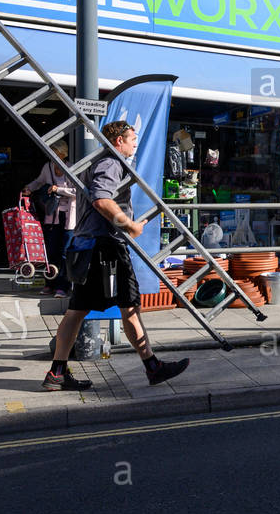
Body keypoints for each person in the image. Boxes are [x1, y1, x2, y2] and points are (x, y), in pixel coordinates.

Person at [43, 120, 189, 391]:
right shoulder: (111, 162)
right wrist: (131, 225)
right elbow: (101, 200)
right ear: (118, 141)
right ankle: (153, 368)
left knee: (78, 311)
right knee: (129, 306)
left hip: (90, 245)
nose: (135, 142)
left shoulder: (101, 161)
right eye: (132, 138)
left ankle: (57, 373)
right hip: (106, 247)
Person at [23, 139, 75, 299]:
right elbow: (39, 181)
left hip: (69, 217)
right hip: (53, 215)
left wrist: (58, 189)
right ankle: (49, 284)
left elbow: (78, 190)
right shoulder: (48, 167)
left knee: (65, 252)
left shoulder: (72, 168)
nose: (53, 156)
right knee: (51, 251)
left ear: (62, 154)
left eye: (56, 153)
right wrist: (29, 188)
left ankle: (63, 286)